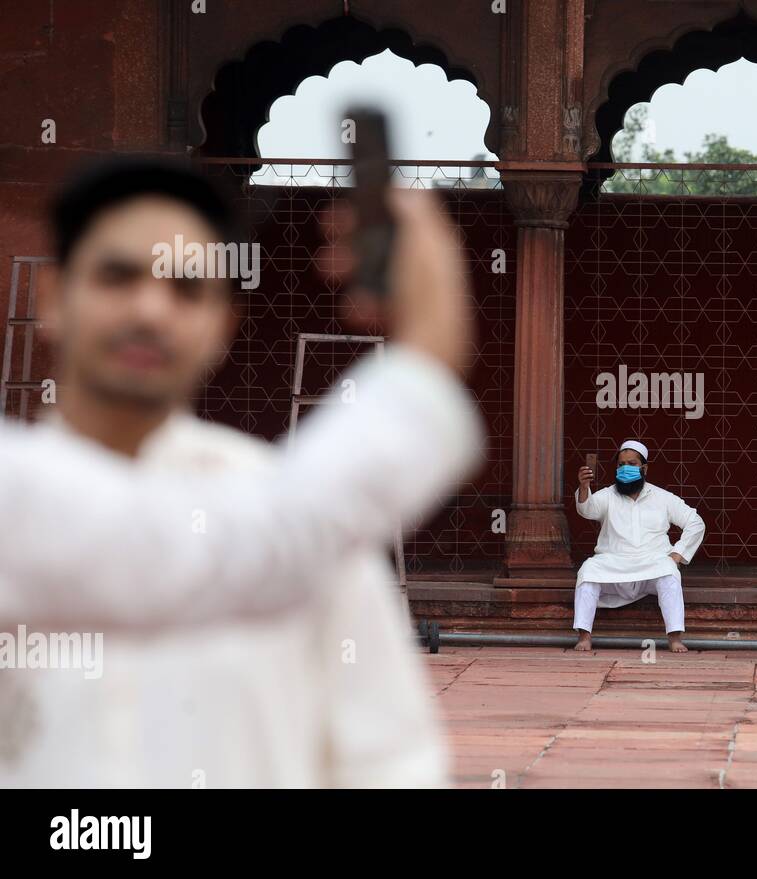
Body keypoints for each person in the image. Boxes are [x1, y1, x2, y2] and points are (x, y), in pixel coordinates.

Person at [0, 160, 445, 787]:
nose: (151, 310)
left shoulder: (288, 511)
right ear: (52, 299)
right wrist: (426, 361)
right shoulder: (301, 519)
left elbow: (391, 765)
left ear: (222, 325)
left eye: (186, 287)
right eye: (118, 276)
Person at [573, 440, 705, 653]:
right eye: (621, 464)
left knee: (669, 572)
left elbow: (695, 522)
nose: (626, 468)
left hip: (651, 565)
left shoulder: (662, 497)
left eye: (632, 464)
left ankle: (675, 638)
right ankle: (584, 636)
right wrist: (584, 486)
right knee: (588, 571)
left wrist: (678, 553)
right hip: (613, 563)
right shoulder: (608, 495)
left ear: (644, 468)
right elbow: (587, 510)